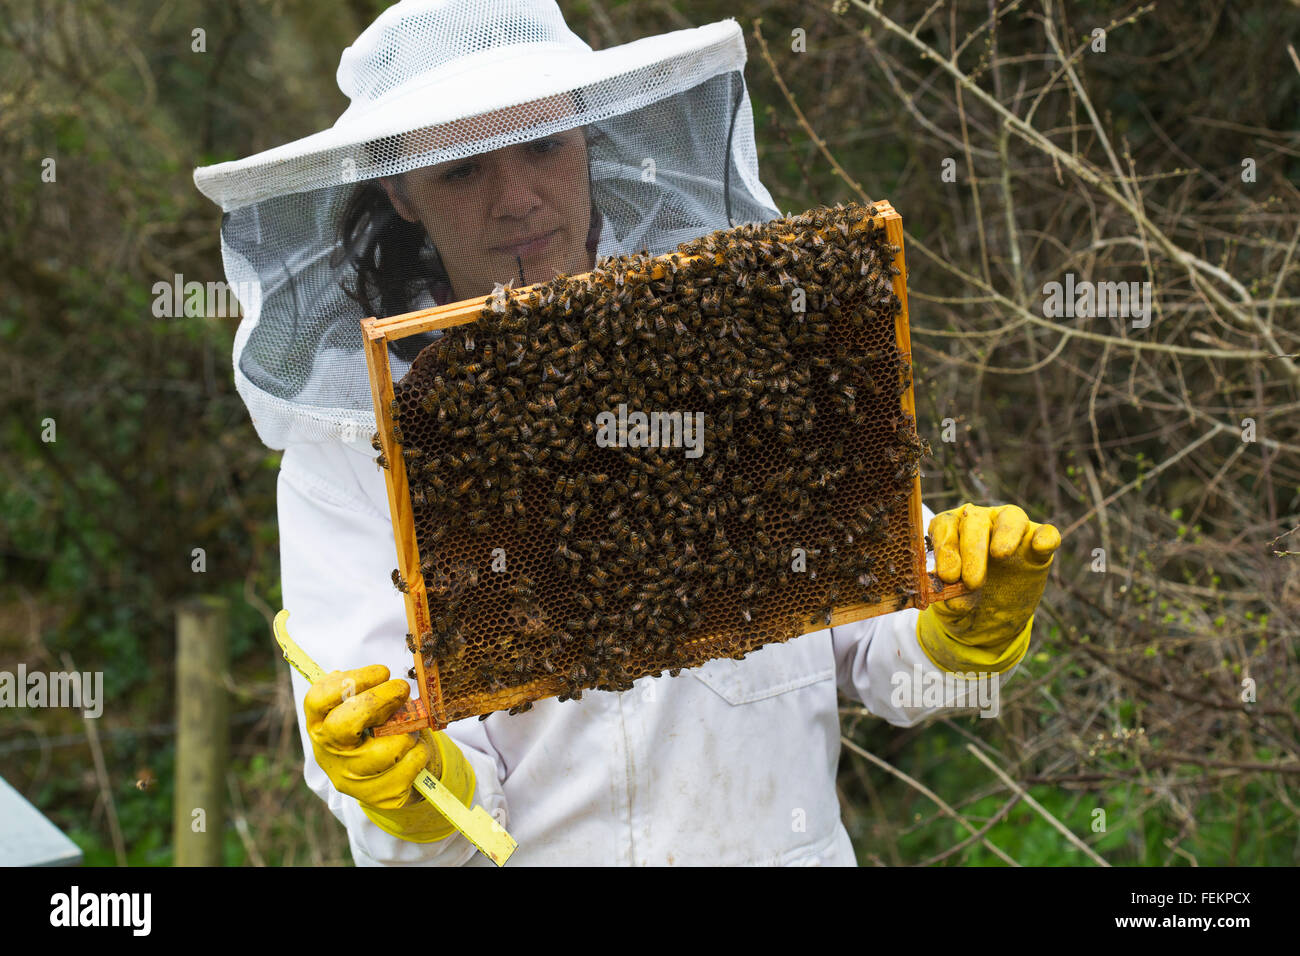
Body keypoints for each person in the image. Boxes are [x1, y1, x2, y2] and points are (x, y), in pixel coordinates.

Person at [194, 0, 1060, 866]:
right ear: (400, 193)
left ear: (587, 139)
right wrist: (418, 793)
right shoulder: (347, 447)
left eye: (543, 144)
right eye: (461, 171)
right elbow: (412, 804)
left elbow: (875, 646)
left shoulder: (744, 337)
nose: (519, 198)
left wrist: (962, 624)